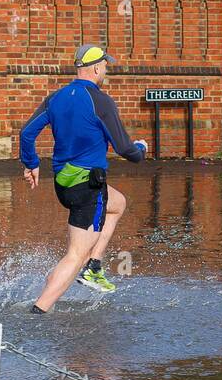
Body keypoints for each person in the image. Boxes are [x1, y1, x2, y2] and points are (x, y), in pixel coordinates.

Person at [20, 44, 147, 311]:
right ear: (96, 68)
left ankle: (94, 265)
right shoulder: (101, 101)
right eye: (105, 66)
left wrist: (31, 163)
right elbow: (125, 148)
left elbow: (26, 134)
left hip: (63, 183)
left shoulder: (56, 97)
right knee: (75, 254)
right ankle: (39, 311)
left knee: (118, 203)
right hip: (88, 185)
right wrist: (141, 151)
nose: (106, 70)